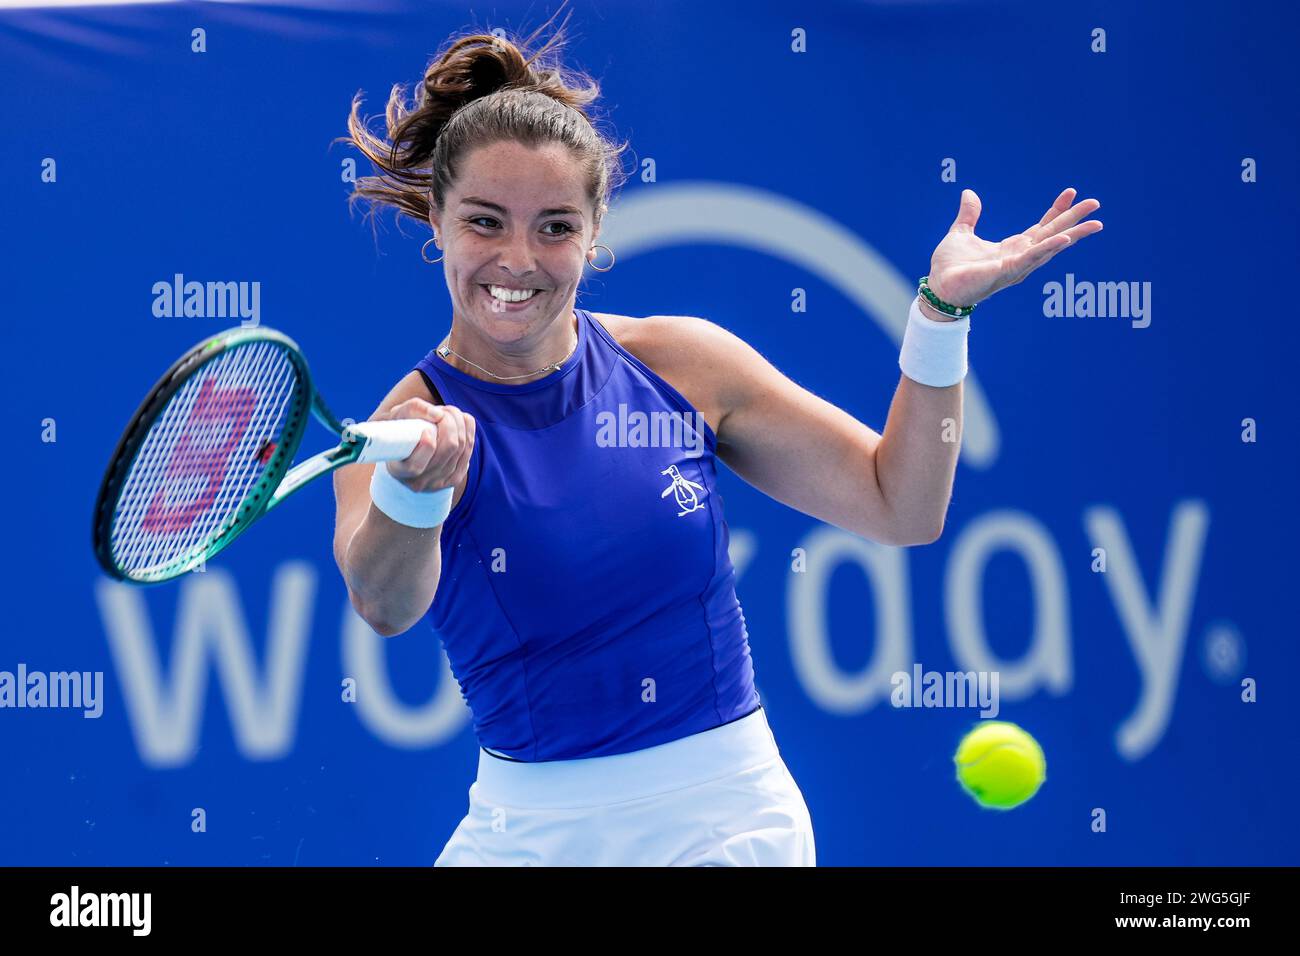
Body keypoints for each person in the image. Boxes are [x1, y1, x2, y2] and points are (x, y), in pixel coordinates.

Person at [331, 15, 1102, 867]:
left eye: (554, 227)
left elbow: (901, 504)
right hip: (523, 832)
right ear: (435, 221)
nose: (518, 260)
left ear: (595, 234)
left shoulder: (683, 364)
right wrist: (415, 494)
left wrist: (941, 317)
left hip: (724, 822)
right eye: (484, 222)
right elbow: (384, 606)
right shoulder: (406, 425)